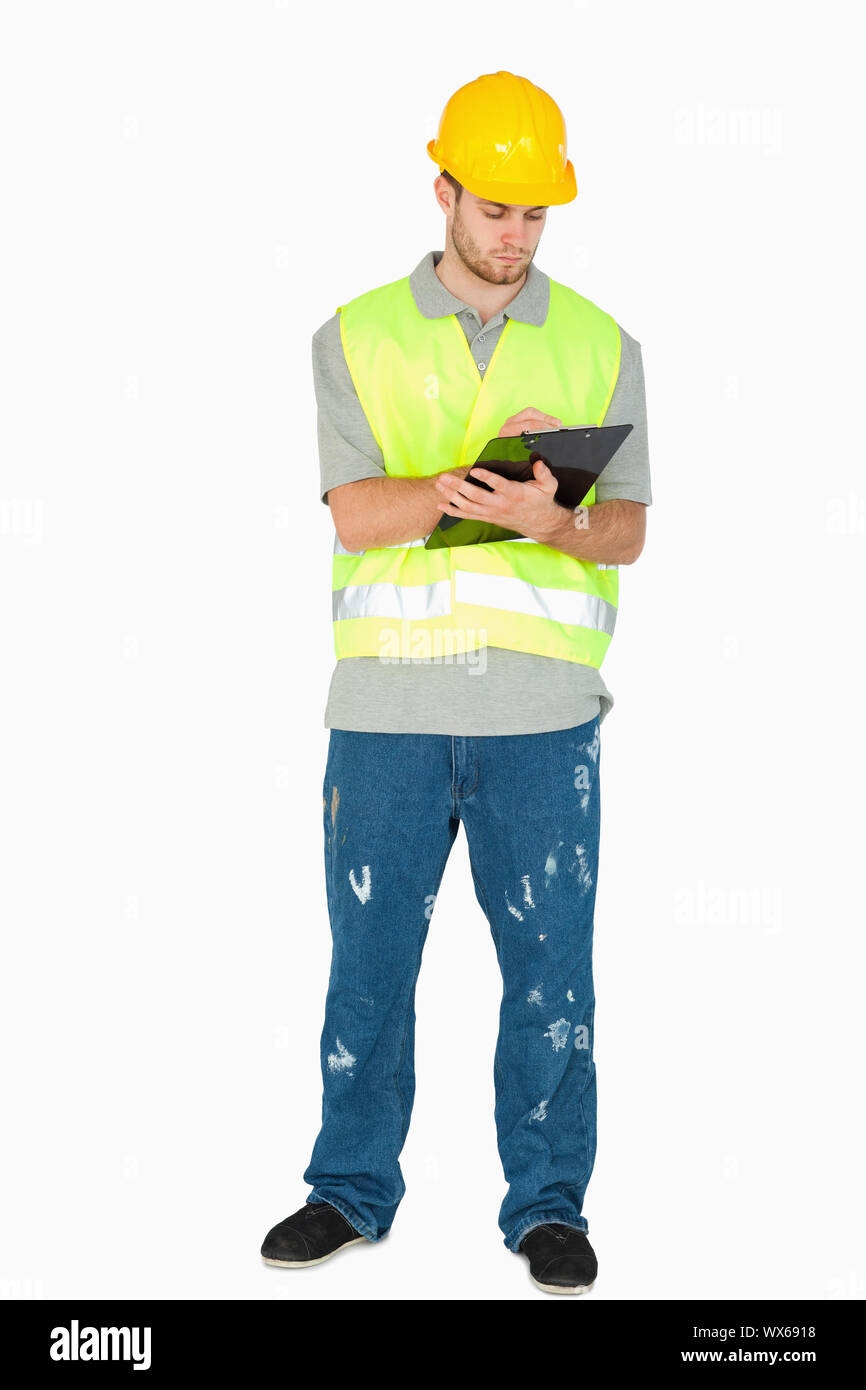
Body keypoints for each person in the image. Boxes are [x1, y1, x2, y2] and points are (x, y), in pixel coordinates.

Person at [261, 69, 651, 1295]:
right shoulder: (354, 336)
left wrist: (554, 519)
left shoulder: (600, 345)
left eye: (533, 215)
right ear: (442, 190)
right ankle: (348, 1190)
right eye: (492, 209)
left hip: (541, 719)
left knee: (550, 973)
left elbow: (628, 531)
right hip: (387, 711)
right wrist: (455, 491)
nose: (513, 236)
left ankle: (546, 1207)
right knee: (367, 964)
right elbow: (352, 513)